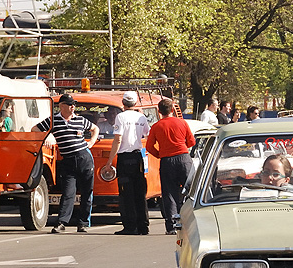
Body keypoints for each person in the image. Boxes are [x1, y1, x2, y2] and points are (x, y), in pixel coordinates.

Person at [33, 93, 98, 233]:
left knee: (87, 192)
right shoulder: (53, 120)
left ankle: (83, 223)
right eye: (70, 104)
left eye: (74, 104)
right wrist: (48, 135)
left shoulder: (80, 120)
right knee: (68, 192)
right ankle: (61, 223)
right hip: (68, 160)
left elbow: (95, 129)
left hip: (84, 158)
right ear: (62, 106)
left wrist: (91, 142)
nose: (73, 107)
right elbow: (35, 129)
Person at [145, 97, 196, 235]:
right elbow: (191, 142)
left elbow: (149, 146)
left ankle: (171, 225)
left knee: (169, 193)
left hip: (167, 160)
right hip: (183, 158)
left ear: (159, 111)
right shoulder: (182, 122)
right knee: (190, 190)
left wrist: (161, 154)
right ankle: (192, 221)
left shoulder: (156, 126)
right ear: (173, 110)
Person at [106, 91, 152, 235]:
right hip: (138, 157)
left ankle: (130, 226)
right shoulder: (141, 117)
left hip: (125, 159)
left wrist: (109, 161)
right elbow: (148, 134)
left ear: (123, 103)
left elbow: (118, 139)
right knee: (140, 192)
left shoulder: (120, 117)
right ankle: (143, 225)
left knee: (126, 193)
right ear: (135, 103)